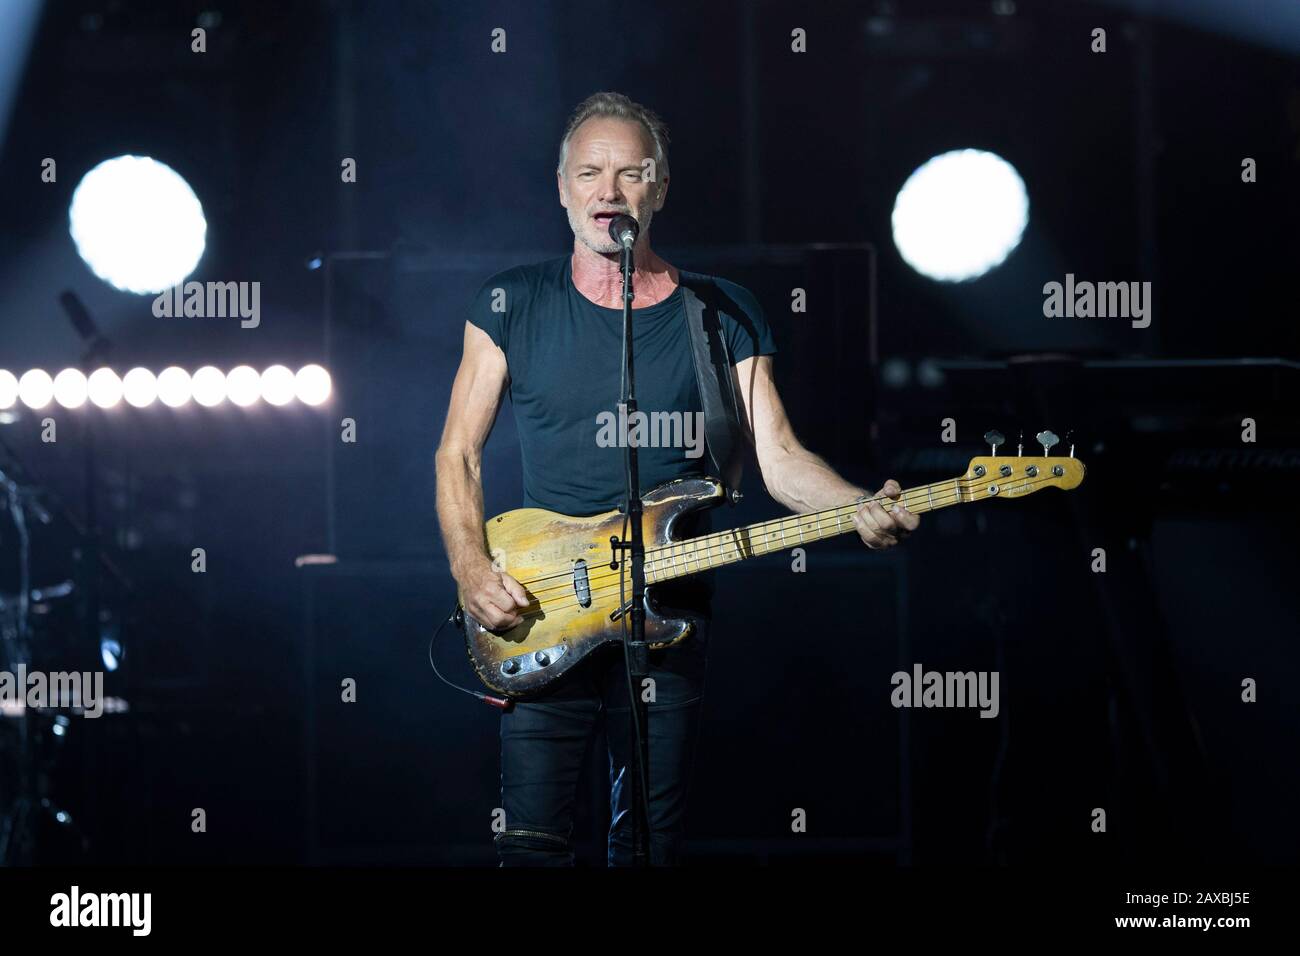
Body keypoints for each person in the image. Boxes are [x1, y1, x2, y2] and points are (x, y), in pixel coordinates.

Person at [435, 91, 920, 866]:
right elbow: (457, 452)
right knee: (530, 845)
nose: (608, 191)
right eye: (588, 173)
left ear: (659, 188)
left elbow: (781, 457)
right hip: (543, 604)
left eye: (631, 174)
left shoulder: (720, 313)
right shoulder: (510, 303)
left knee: (652, 846)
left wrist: (858, 505)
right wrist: (469, 569)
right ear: (560, 187)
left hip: (672, 613)